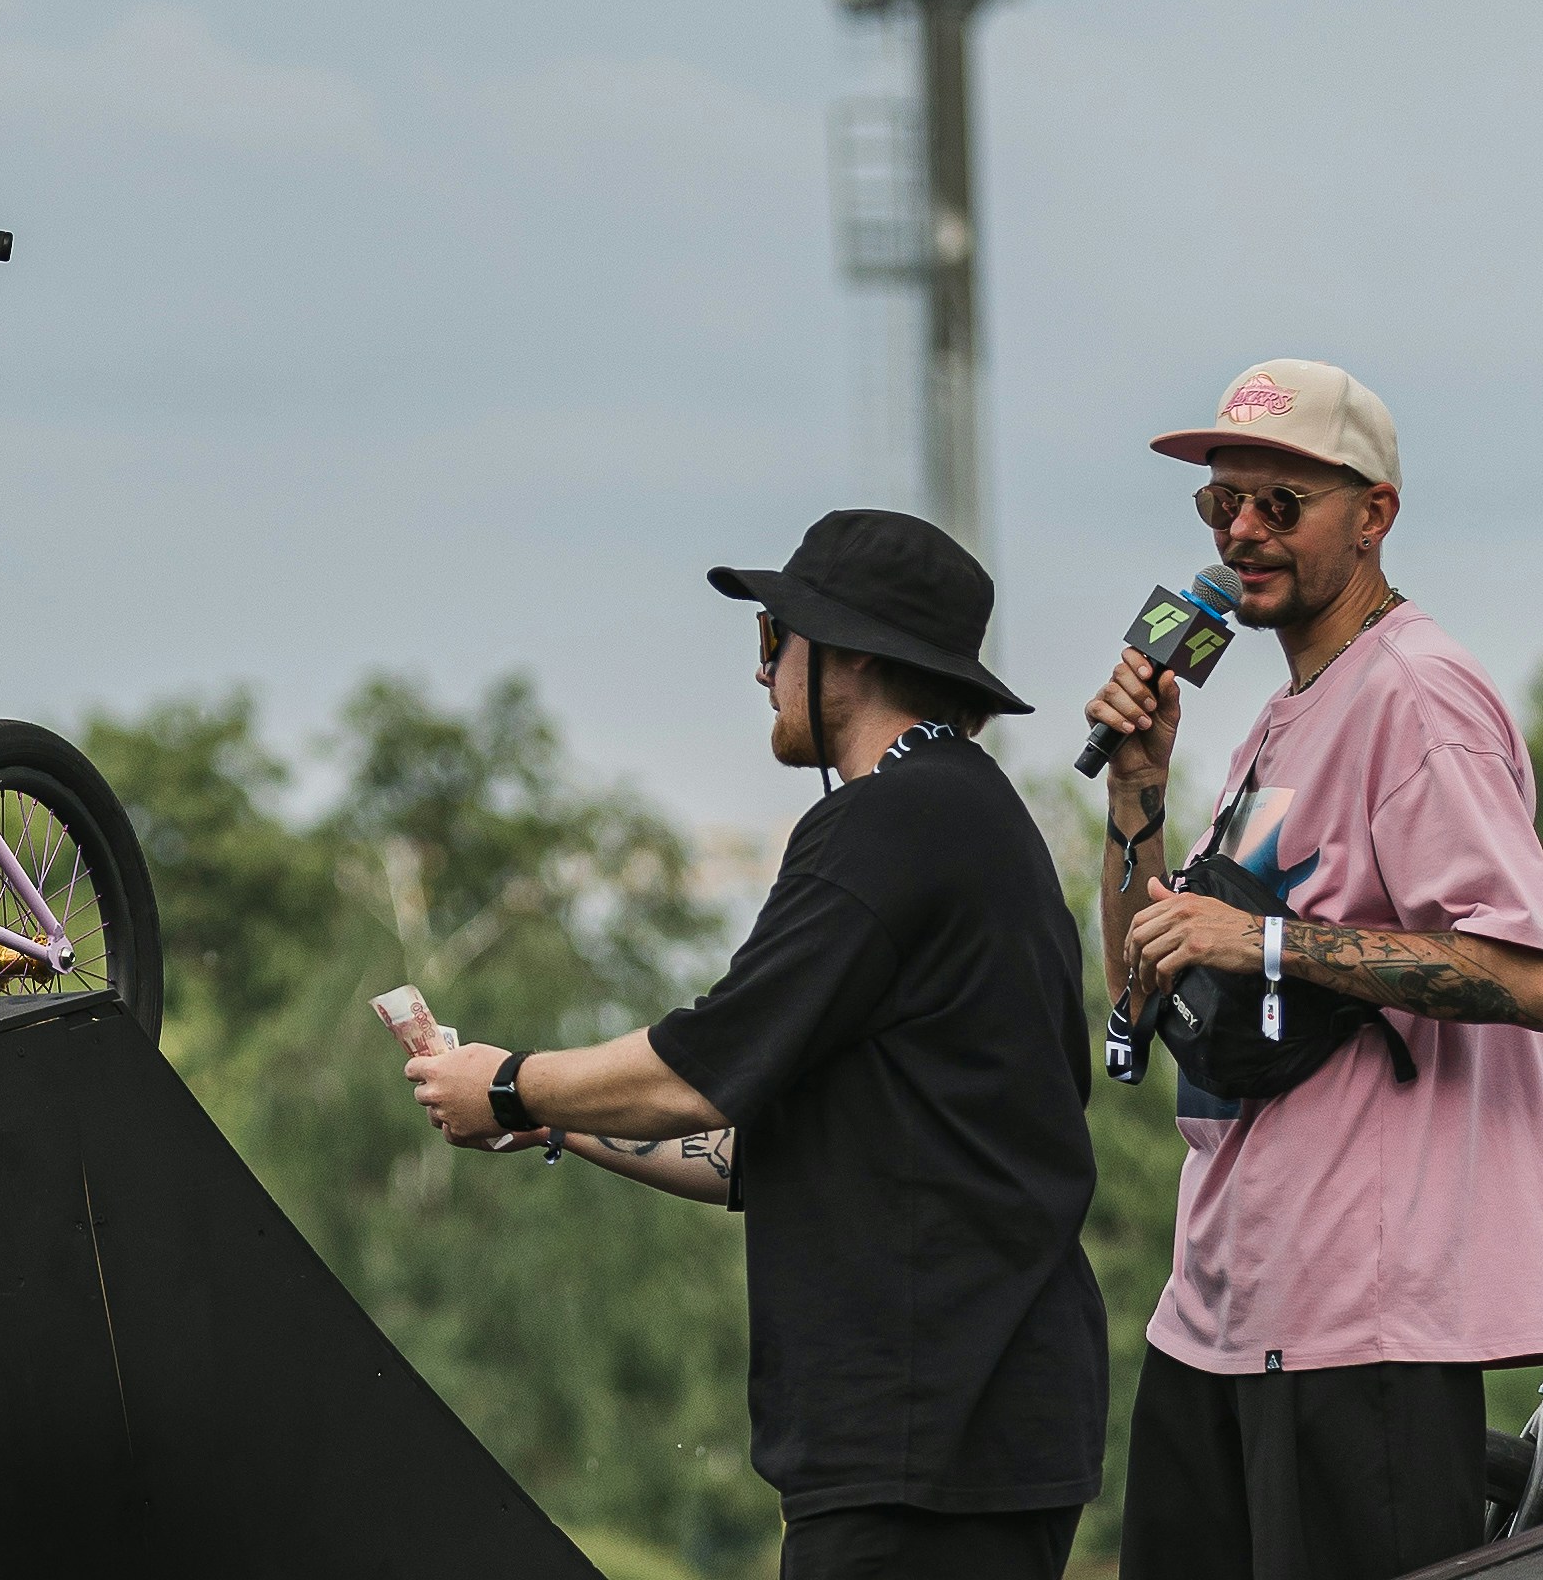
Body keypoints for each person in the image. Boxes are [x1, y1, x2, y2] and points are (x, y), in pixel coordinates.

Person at [410, 509, 1108, 1580]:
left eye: (774, 638)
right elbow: (760, 1138)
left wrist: (506, 1084)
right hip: (973, 1427)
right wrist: (556, 1117)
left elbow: (698, 1067)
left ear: (853, 649)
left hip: (923, 1431)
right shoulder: (977, 820)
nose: (762, 672)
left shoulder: (886, 822)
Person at [1085, 359, 1543, 1580]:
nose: (1241, 530)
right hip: (1220, 1311)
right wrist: (1137, 792)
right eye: (1219, 504)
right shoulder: (1280, 716)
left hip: (1363, 1321)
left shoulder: (1419, 693)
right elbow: (1150, 985)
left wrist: (1273, 941)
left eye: (1280, 504)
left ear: (1375, 513)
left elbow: (1528, 970)